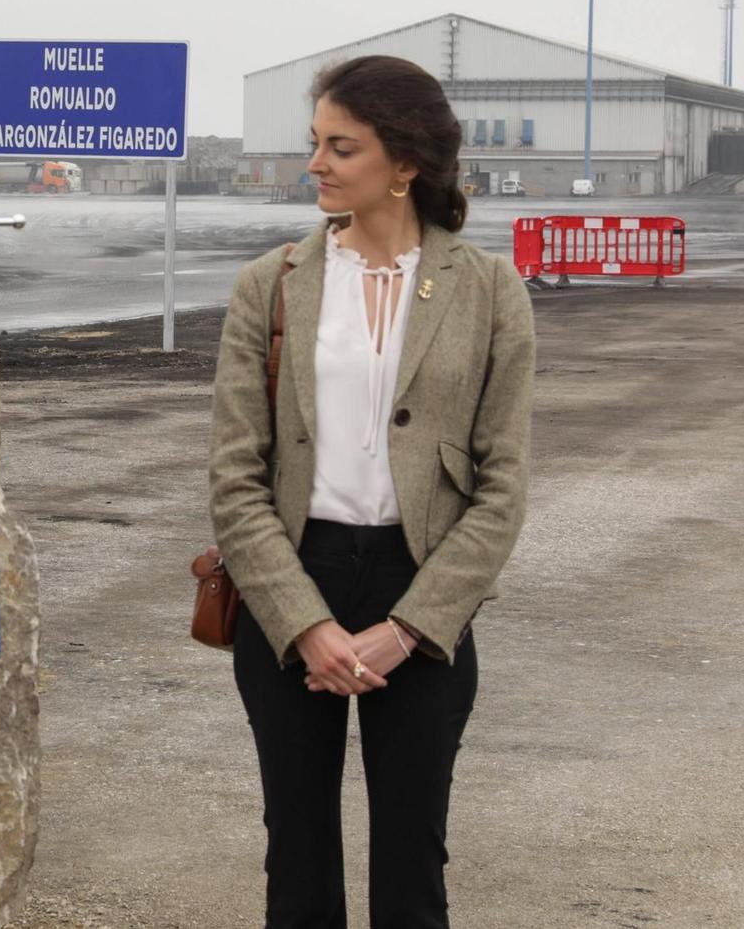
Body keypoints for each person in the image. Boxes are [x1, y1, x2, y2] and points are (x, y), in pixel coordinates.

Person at [209, 54, 535, 927]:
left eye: (339, 146)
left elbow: (502, 484)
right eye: (314, 142)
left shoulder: (492, 291)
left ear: (406, 163)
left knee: (412, 862)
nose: (314, 163)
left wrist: (411, 629)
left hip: (421, 591)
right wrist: (304, 623)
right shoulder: (270, 286)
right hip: (293, 581)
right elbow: (236, 475)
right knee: (298, 857)